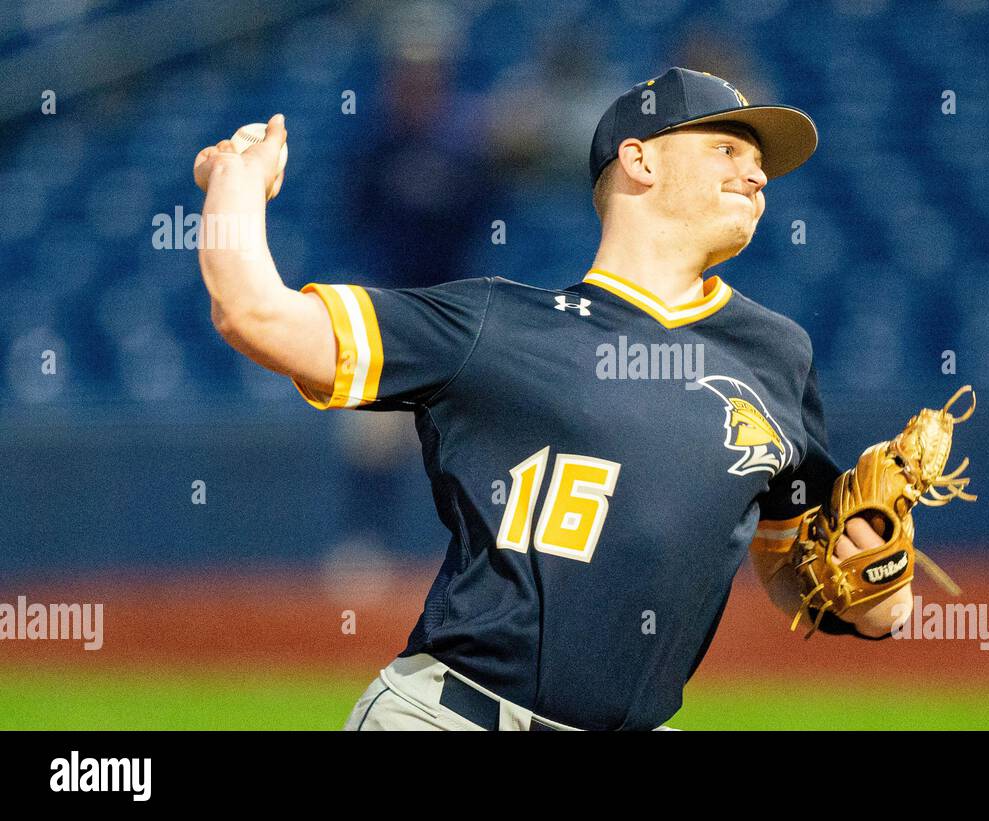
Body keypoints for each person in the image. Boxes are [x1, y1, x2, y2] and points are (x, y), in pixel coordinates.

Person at [192, 68, 909, 731]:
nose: (756, 173)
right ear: (640, 159)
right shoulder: (494, 324)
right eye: (727, 148)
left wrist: (879, 593)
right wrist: (235, 182)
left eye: (760, 163)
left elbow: (799, 573)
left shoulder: (778, 357)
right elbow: (256, 315)